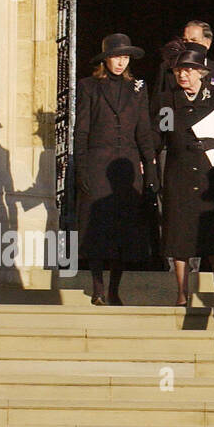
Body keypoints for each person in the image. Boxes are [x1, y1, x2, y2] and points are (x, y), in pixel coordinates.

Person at [155, 39, 214, 307]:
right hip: (179, 172)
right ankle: (182, 291)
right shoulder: (166, 101)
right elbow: (158, 135)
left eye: (189, 70)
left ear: (200, 73)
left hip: (209, 174)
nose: (183, 75)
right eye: (179, 70)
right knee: (179, 232)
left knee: (213, 232)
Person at [73, 33, 158, 306]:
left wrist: (151, 174)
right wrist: (81, 168)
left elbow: (144, 131)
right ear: (105, 59)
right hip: (98, 163)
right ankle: (97, 286)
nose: (120, 62)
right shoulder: (89, 87)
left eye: (124, 57)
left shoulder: (138, 87)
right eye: (115, 57)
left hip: (127, 165)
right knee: (98, 227)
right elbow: (81, 130)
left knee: (123, 228)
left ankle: (114, 289)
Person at [150, 19, 214, 131]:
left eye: (193, 40)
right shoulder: (166, 68)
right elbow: (159, 108)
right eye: (185, 40)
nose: (188, 45)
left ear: (207, 43)